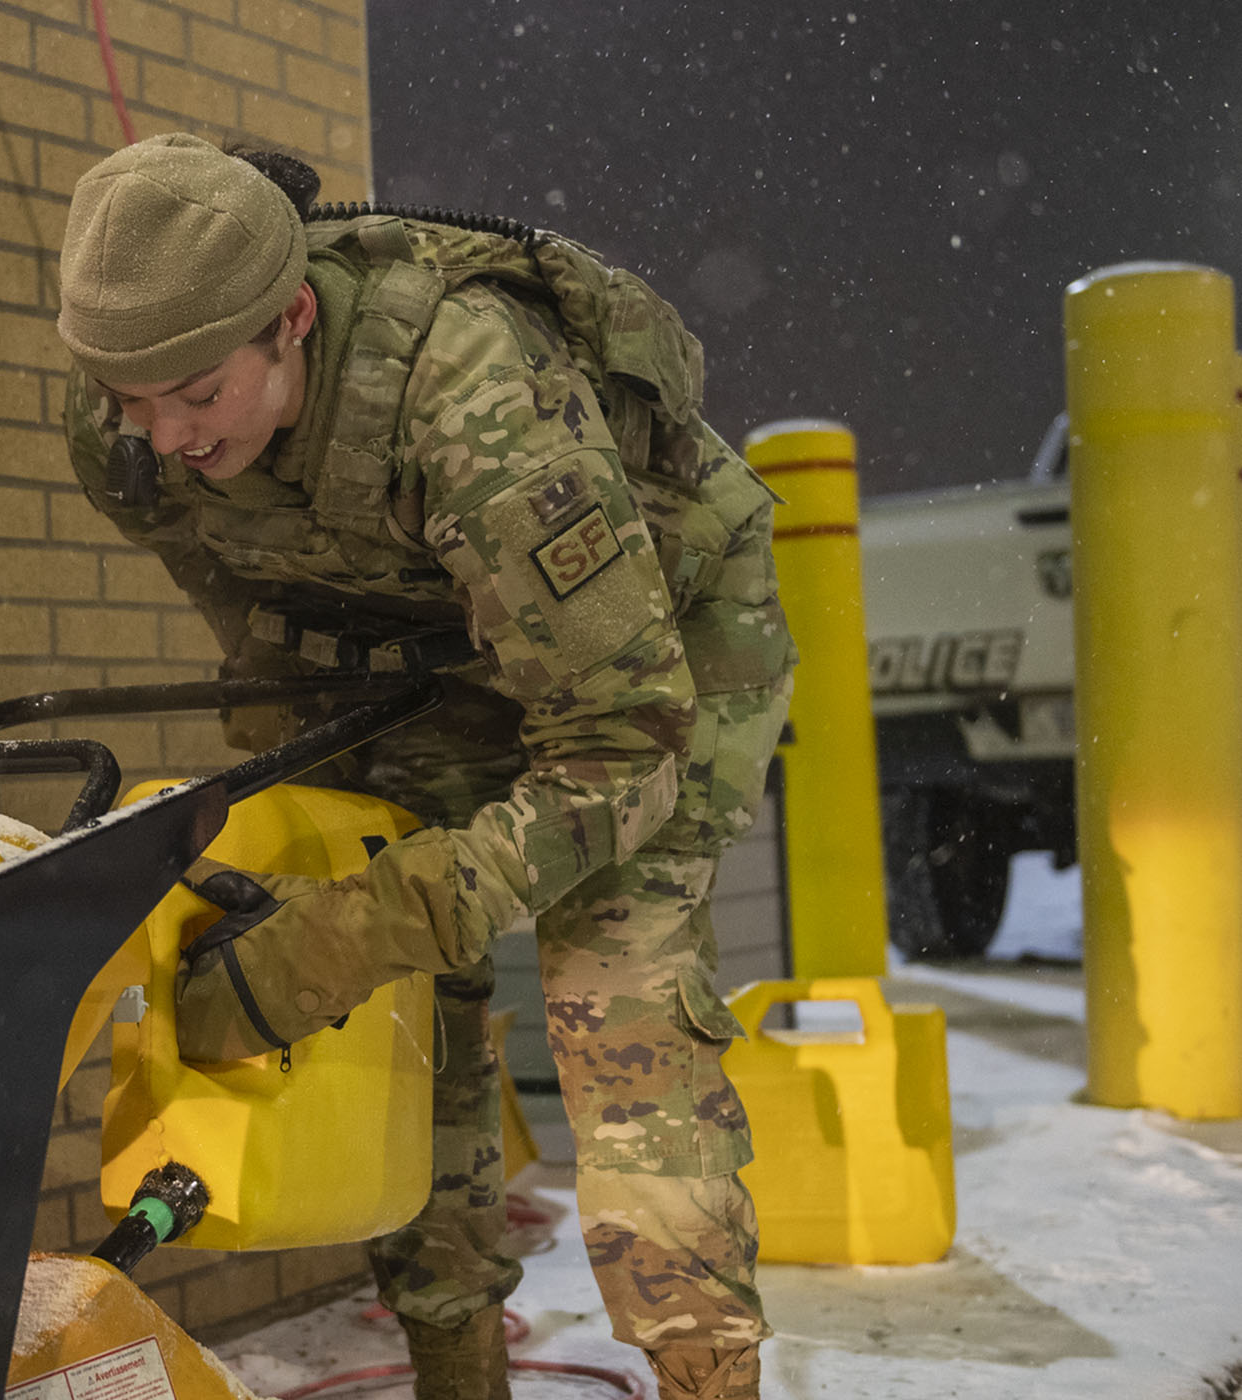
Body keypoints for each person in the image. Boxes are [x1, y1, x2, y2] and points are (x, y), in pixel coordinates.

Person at [54, 133, 795, 1400]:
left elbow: (620, 753)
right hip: (423, 645)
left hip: (646, 659)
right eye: (132, 400)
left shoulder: (471, 394)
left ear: (290, 320)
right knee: (402, 1028)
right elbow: (257, 609)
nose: (164, 435)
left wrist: (335, 939)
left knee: (613, 1007)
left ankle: (704, 1377)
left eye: (196, 394)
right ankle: (457, 1367)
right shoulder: (120, 419)